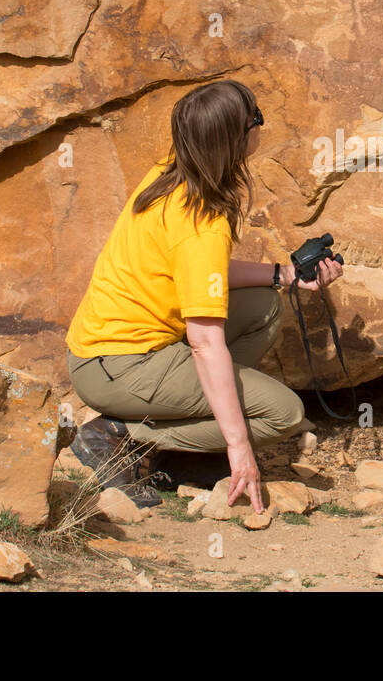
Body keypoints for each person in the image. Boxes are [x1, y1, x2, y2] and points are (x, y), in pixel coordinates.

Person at [64, 80, 343, 512]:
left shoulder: (172, 169)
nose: (261, 127)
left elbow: (199, 272)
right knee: (282, 415)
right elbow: (205, 341)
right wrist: (238, 446)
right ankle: (121, 433)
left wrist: (284, 274)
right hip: (120, 365)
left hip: (109, 355)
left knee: (265, 306)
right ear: (236, 139)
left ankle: (185, 434)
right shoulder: (203, 221)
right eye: (257, 118)